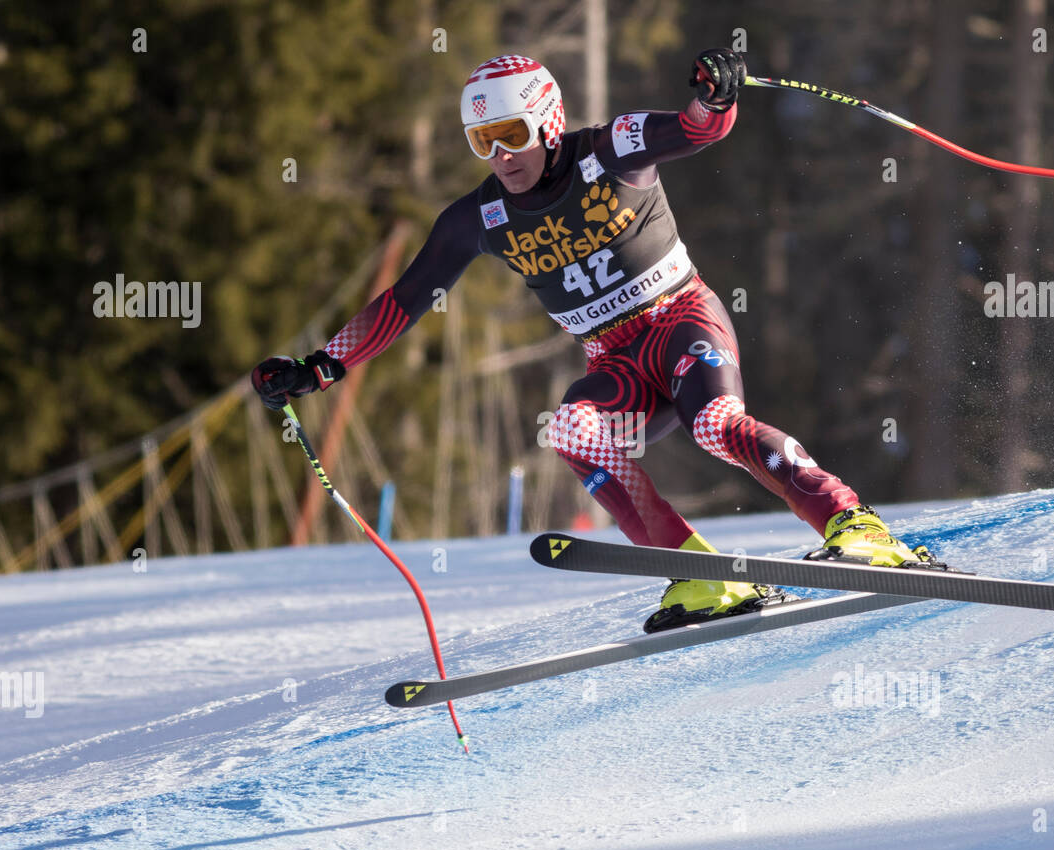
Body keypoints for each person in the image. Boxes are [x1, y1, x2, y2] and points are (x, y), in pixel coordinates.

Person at [253, 49, 939, 632]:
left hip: (680, 321)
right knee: (573, 431)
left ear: (548, 123)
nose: (500, 156)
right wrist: (319, 368)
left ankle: (855, 526)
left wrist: (715, 96)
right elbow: (405, 300)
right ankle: (699, 574)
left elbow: (697, 131)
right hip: (615, 359)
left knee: (715, 426)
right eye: (480, 141)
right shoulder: (479, 216)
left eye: (512, 133)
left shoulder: (608, 150)